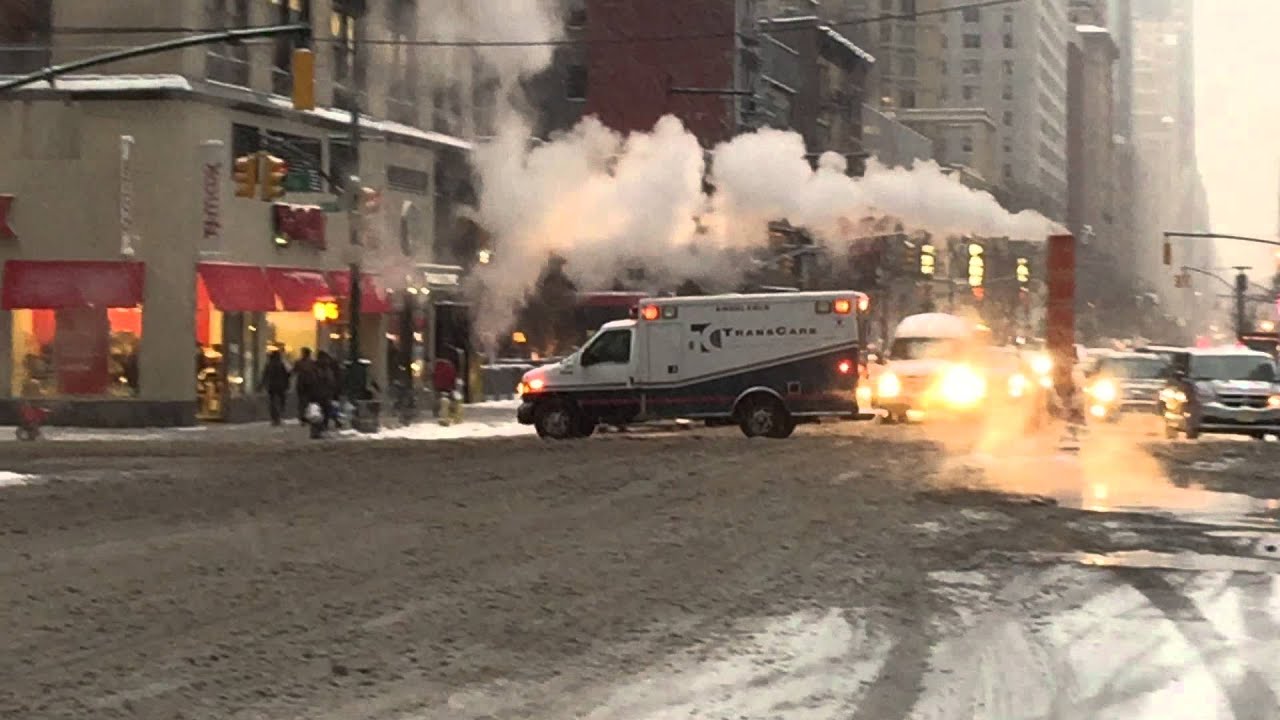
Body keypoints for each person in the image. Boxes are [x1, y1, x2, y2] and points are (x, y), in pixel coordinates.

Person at [261, 350, 291, 426]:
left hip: (272, 386)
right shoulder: (281, 364)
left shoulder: (269, 365)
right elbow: (287, 375)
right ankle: (278, 417)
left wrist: (263, 384)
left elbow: (265, 375)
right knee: (281, 401)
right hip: (281, 386)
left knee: (272, 402)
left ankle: (274, 418)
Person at [315, 351, 341, 429]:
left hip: (321, 392)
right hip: (325, 392)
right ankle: (327, 423)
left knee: (325, 408)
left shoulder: (317, 367)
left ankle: (323, 424)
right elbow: (331, 380)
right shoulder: (326, 368)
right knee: (326, 408)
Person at [293, 347, 318, 424]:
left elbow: (294, 371)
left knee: (302, 401)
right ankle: (306, 416)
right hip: (309, 384)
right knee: (307, 401)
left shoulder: (299, 362)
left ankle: (303, 416)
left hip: (303, 384)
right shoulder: (313, 363)